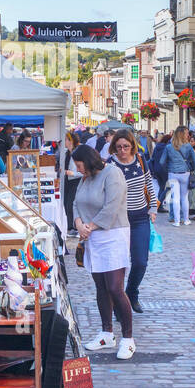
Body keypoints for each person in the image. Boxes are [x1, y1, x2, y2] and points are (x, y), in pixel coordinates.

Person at [72, 144, 136, 360]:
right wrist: (79, 222)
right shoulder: (85, 178)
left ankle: (128, 337)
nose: (78, 170)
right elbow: (76, 203)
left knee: (115, 287)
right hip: (93, 236)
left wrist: (90, 226)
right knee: (100, 285)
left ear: (88, 162)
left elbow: (112, 206)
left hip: (113, 234)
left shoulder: (112, 174)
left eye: (79, 165)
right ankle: (106, 332)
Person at [108, 128, 158, 314]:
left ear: (132, 146)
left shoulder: (140, 160)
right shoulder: (110, 164)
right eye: (119, 147)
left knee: (140, 261)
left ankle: (132, 292)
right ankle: (120, 302)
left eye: (126, 147)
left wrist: (153, 207)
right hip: (118, 219)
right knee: (119, 263)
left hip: (140, 217)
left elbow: (148, 184)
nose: (122, 150)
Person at [164, 126, 195, 227]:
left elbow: (162, 161)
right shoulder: (188, 146)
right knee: (184, 197)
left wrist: (168, 168)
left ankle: (177, 221)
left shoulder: (169, 147)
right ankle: (186, 220)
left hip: (172, 173)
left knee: (176, 198)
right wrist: (191, 168)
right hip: (185, 173)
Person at [62, 131, 82, 237]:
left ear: (70, 141)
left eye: (65, 139)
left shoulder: (77, 152)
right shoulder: (67, 152)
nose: (64, 141)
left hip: (75, 181)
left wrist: (72, 173)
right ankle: (70, 226)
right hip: (68, 181)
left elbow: (84, 171)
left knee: (72, 204)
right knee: (67, 203)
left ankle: (74, 227)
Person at [150, 133, 171, 212]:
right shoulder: (167, 148)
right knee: (167, 188)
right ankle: (159, 204)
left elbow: (153, 158)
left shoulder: (157, 147)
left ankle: (159, 205)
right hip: (164, 170)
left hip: (156, 169)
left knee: (162, 187)